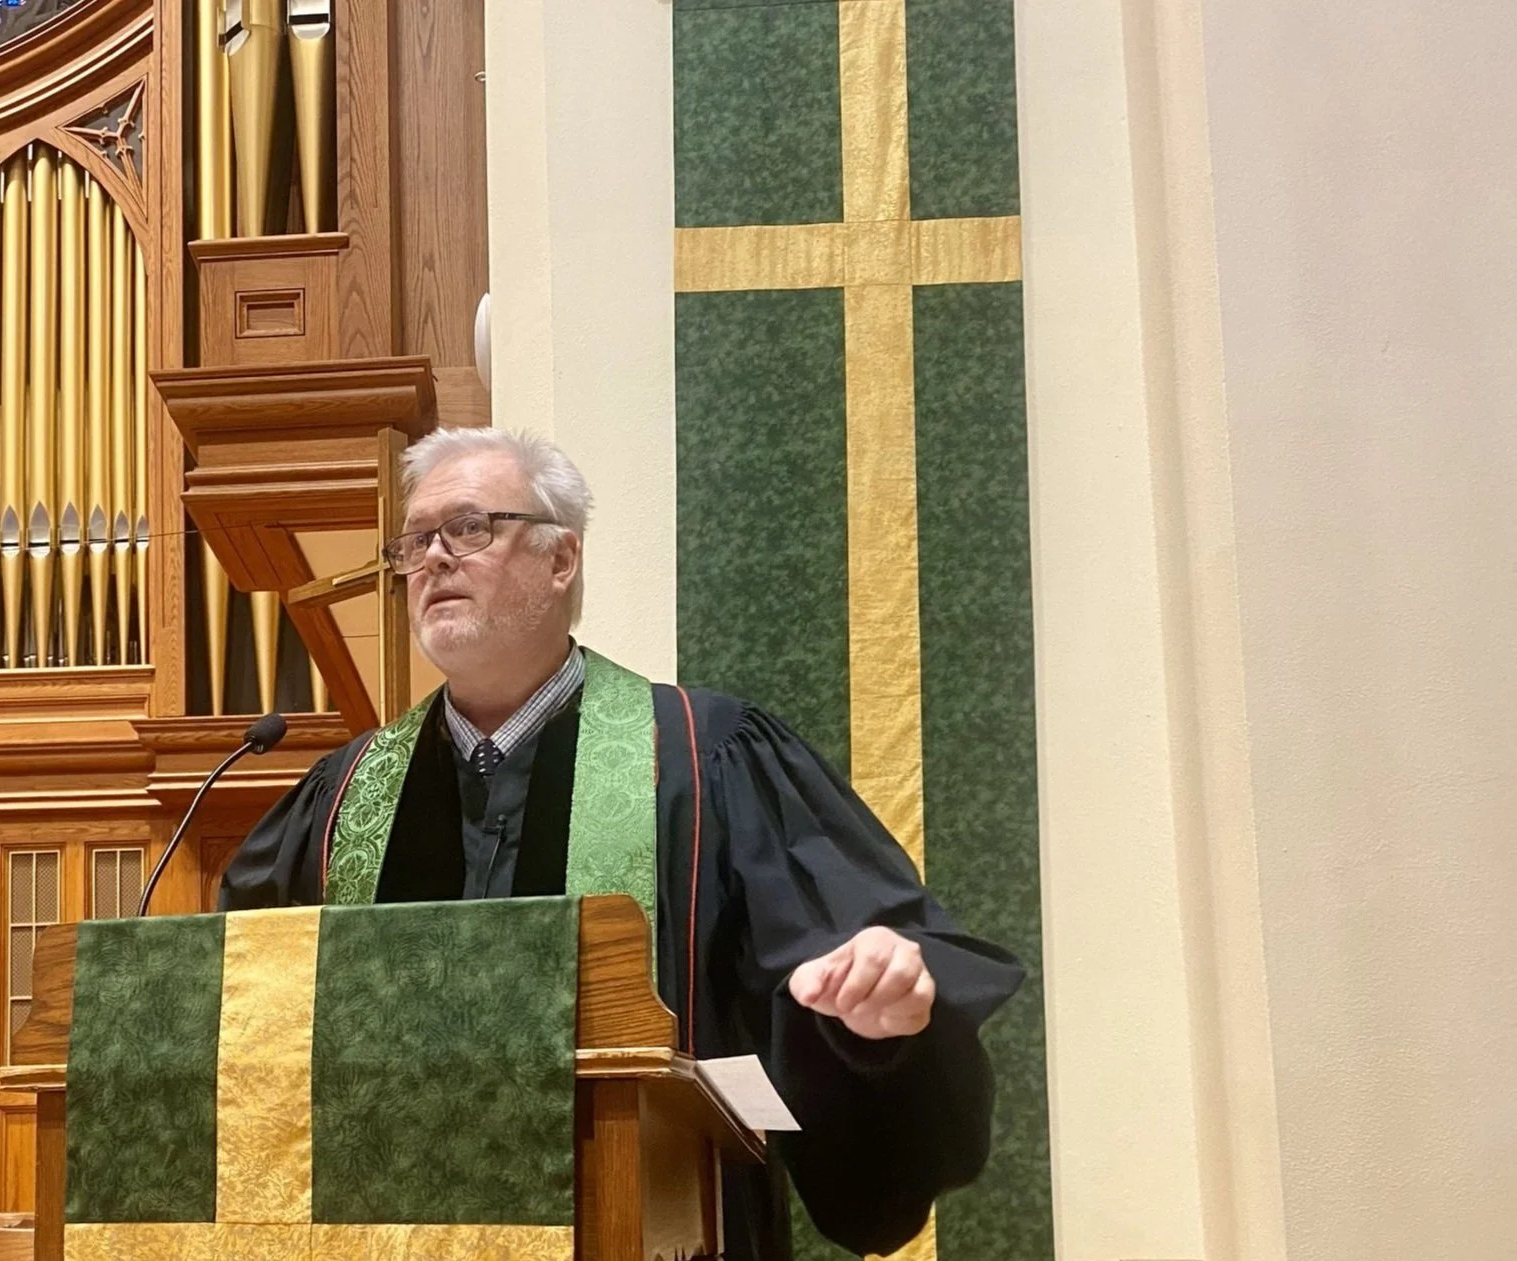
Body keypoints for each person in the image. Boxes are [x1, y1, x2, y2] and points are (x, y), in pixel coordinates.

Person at [220, 427, 1024, 1260]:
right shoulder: (344, 797)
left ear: (560, 558)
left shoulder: (705, 757)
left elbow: (849, 971)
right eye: (414, 541)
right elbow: (243, 1020)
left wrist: (873, 1014)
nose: (432, 560)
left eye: (468, 528)